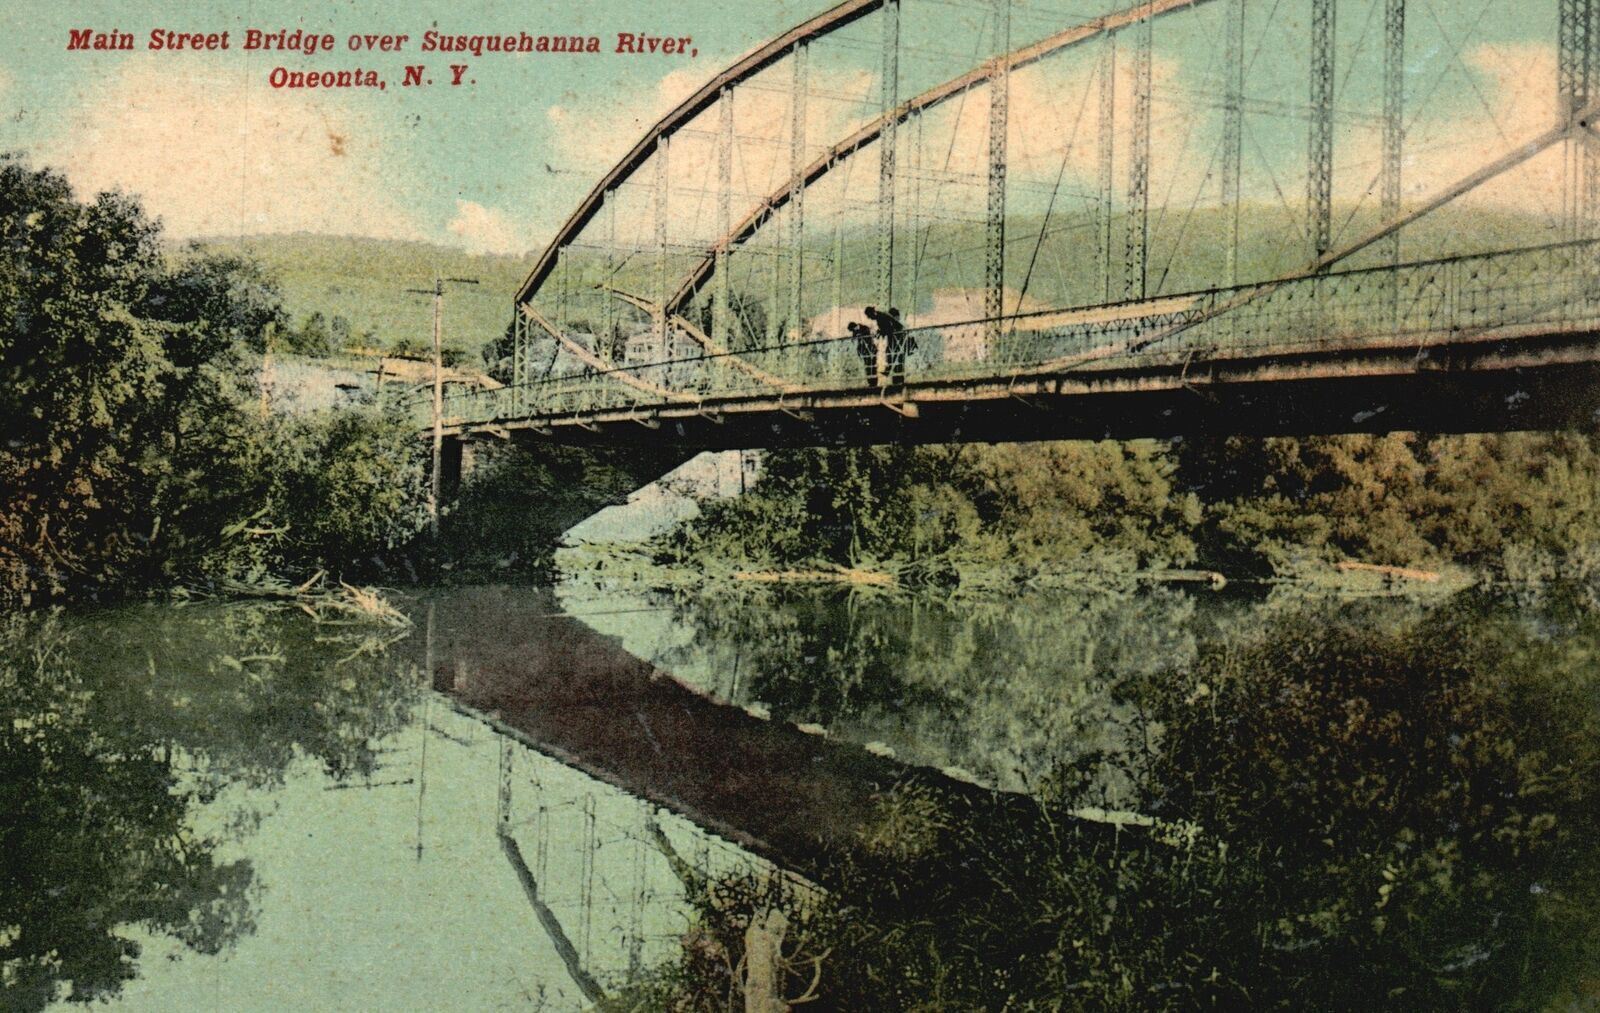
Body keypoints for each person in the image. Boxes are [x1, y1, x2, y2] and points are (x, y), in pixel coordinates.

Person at [865, 306, 915, 385]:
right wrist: (880, 332)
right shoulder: (880, 315)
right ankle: (895, 378)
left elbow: (888, 329)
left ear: (873, 313)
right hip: (896, 337)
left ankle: (893, 376)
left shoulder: (880, 317)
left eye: (870, 316)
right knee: (895, 357)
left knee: (894, 355)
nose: (870, 318)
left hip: (897, 337)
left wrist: (881, 333)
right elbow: (886, 327)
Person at [848, 320, 878, 387]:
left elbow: (868, 334)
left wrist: (860, 335)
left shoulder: (864, 327)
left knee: (873, 366)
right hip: (864, 351)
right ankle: (870, 383)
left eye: (853, 330)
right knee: (867, 367)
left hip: (871, 349)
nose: (853, 331)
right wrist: (858, 351)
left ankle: (874, 383)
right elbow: (856, 340)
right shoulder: (855, 331)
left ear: (854, 327)